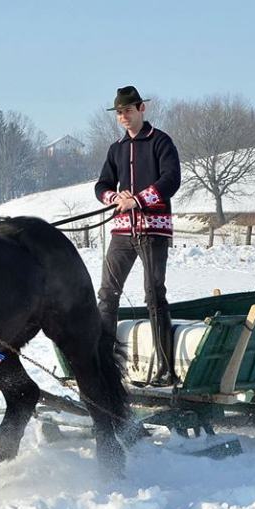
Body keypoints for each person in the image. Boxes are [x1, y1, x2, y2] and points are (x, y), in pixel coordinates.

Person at [94, 85, 181, 386]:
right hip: (121, 232)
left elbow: (171, 180)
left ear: (141, 109)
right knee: (107, 294)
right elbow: (102, 185)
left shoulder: (161, 141)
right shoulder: (116, 148)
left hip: (153, 230)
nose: (124, 117)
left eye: (128, 111)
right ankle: (104, 368)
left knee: (154, 294)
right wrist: (114, 198)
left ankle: (166, 369)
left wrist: (139, 199)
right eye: (119, 113)